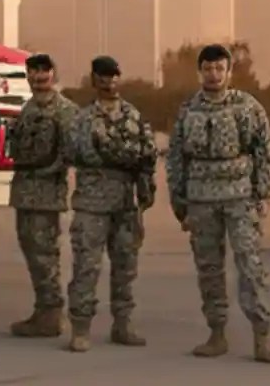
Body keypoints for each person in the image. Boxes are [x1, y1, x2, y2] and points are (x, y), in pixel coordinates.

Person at [166, 44, 270, 363]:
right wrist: (180, 203)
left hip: (239, 197)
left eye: (220, 69)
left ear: (229, 72)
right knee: (209, 267)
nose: (214, 75)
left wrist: (263, 195)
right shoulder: (189, 109)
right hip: (201, 198)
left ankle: (262, 335)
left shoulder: (247, 107)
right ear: (199, 71)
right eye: (208, 69)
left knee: (250, 265)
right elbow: (177, 157)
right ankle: (216, 333)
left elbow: (266, 151)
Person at [64, 56, 158, 352]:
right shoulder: (82, 118)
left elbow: (148, 155)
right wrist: (123, 153)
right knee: (86, 266)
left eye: (114, 76)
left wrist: (142, 187)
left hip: (125, 202)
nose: (109, 81)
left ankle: (123, 324)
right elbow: (81, 154)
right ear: (94, 80)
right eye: (103, 76)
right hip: (92, 202)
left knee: (125, 267)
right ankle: (80, 327)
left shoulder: (133, 115)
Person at [6, 53, 79, 338]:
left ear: (53, 74)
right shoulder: (29, 108)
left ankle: (52, 313)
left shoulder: (65, 110)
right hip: (25, 190)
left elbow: (70, 153)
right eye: (33, 73)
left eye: (43, 72)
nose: (38, 78)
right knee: (31, 250)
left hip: (46, 193)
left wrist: (48, 172)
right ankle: (43, 308)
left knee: (44, 253)